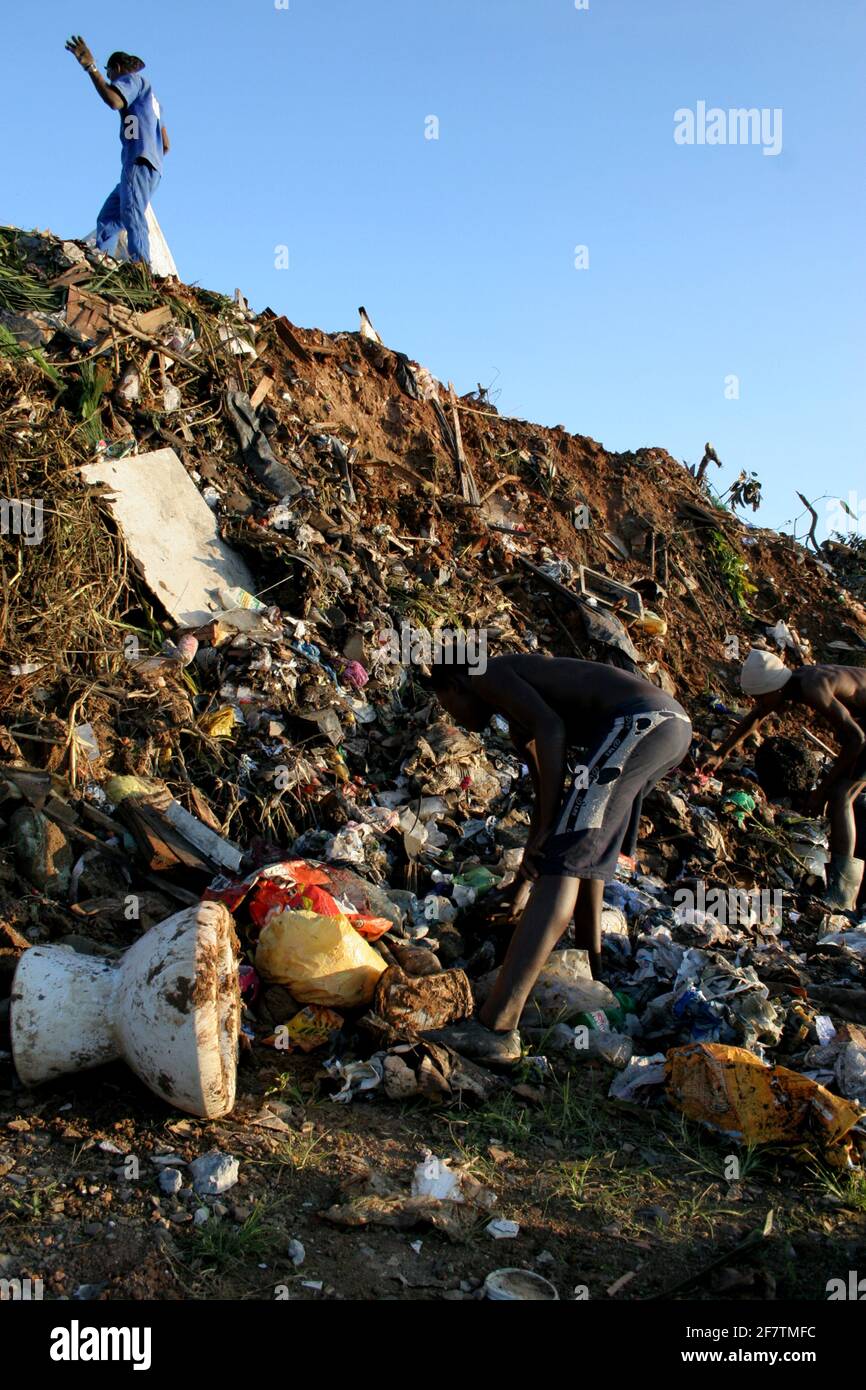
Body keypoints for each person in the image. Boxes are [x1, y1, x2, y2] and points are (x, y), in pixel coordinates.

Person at [423, 653, 692, 1061]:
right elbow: (547, 806)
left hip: (642, 723)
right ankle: (593, 972)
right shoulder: (516, 707)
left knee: (567, 856)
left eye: (450, 707)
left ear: (458, 683)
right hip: (665, 727)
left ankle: (497, 1025)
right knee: (580, 852)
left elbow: (553, 731)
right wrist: (520, 886)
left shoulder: (486, 671)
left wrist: (549, 836)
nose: (457, 720)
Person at [705, 648, 866, 910]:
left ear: (774, 689)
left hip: (862, 732)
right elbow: (757, 716)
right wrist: (721, 753)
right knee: (842, 793)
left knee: (841, 796)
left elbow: (857, 741)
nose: (761, 703)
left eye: (762, 697)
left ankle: (842, 897)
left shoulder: (813, 688)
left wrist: (821, 792)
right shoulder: (791, 681)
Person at [65, 37, 169, 269]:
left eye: (109, 73)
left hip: (139, 161)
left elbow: (113, 100)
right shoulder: (153, 101)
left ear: (118, 69)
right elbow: (166, 143)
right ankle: (102, 261)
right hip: (150, 165)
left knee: (132, 212)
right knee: (110, 217)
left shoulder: (132, 81)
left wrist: (90, 67)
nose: (111, 80)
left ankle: (141, 267)